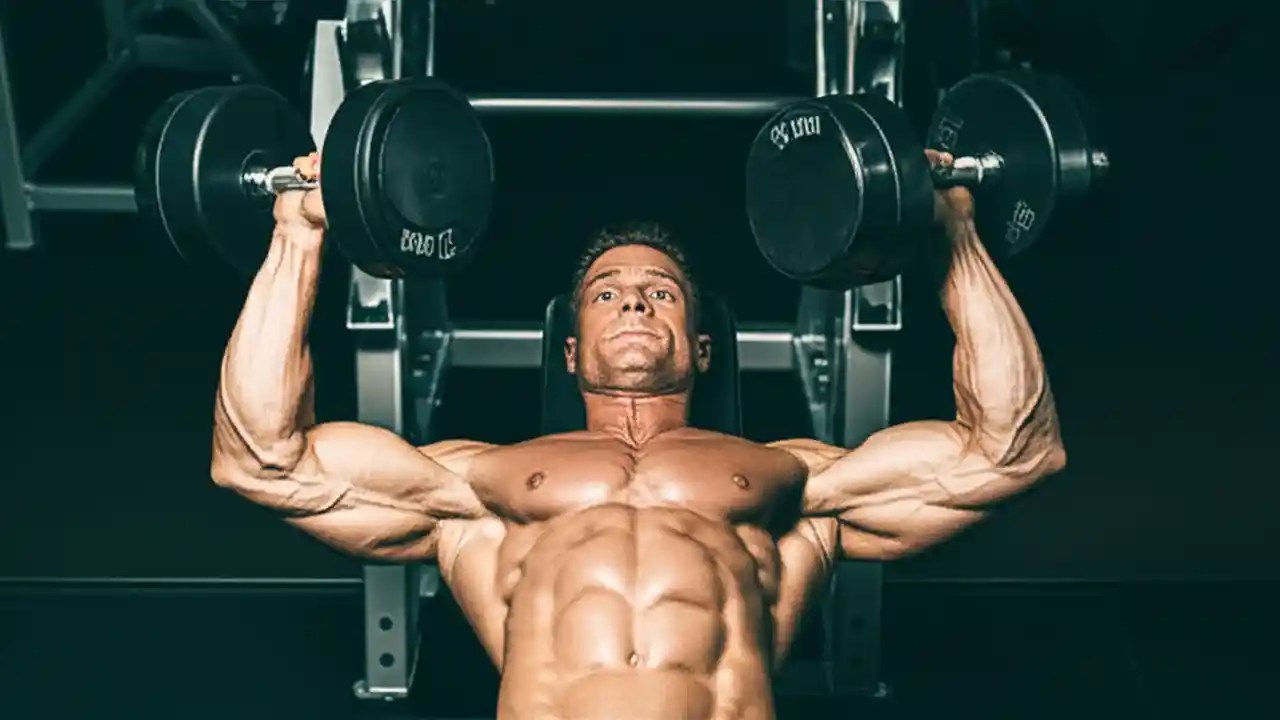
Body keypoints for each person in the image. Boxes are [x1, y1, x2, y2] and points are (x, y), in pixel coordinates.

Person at [210, 151, 1066, 720]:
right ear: (571, 348)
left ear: (700, 345)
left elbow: (1010, 448)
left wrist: (952, 228)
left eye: (660, 291)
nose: (633, 299)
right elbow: (261, 459)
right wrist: (299, 234)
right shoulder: (475, 489)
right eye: (608, 290)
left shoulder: (794, 486)